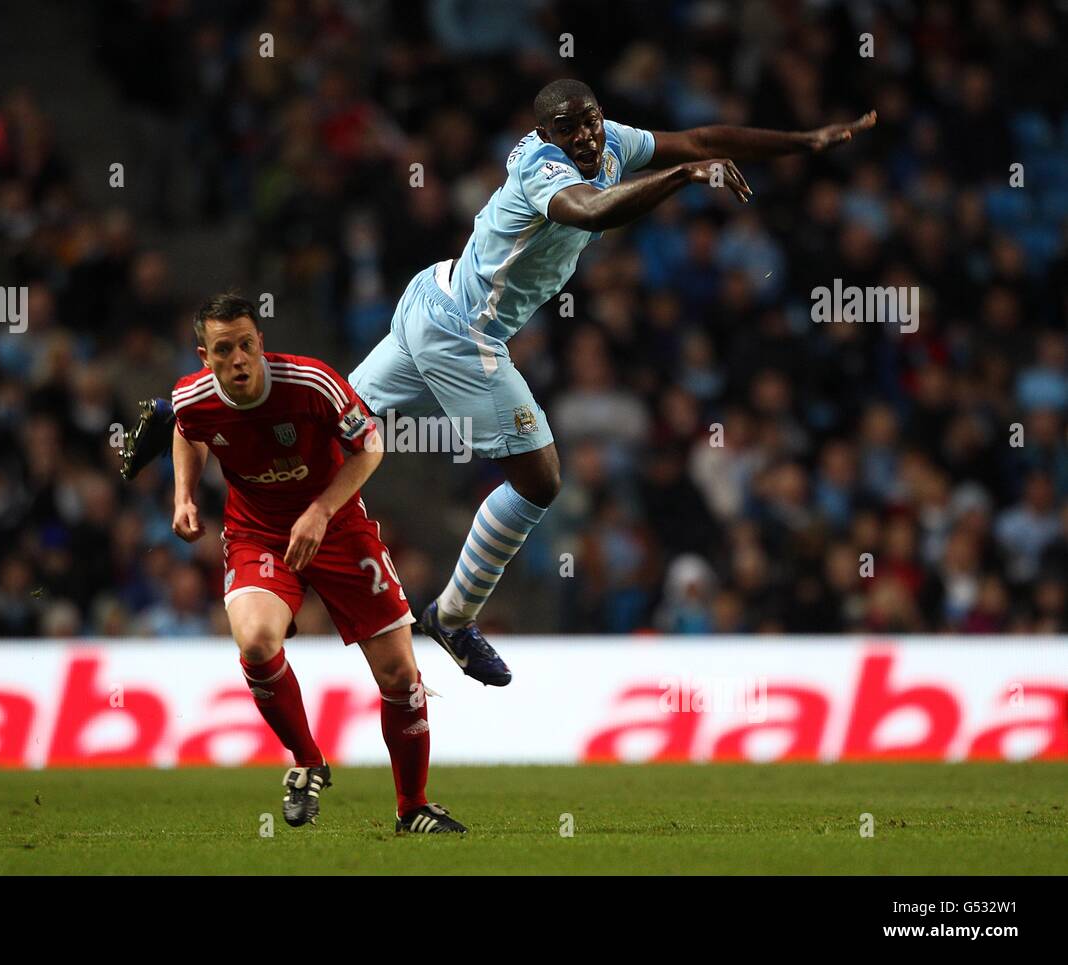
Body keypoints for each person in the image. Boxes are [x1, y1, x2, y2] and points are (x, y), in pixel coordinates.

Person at [348, 78, 875, 685]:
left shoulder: (611, 142)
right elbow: (592, 208)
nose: (585, 136)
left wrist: (804, 141)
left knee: (336, 421)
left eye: (591, 121)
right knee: (540, 479)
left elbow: (700, 137)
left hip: (435, 295)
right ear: (546, 135)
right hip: (464, 331)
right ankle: (453, 615)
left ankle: (259, 481)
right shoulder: (544, 167)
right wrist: (684, 177)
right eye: (568, 129)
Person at [170, 292, 467, 834]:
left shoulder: (311, 384)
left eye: (245, 345)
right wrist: (184, 496)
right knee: (256, 642)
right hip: (257, 533)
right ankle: (308, 761)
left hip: (338, 526)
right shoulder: (191, 398)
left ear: (260, 342)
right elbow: (188, 433)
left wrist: (322, 509)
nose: (237, 359)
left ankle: (413, 807)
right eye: (222, 350)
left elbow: (370, 446)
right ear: (203, 356)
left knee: (400, 673)